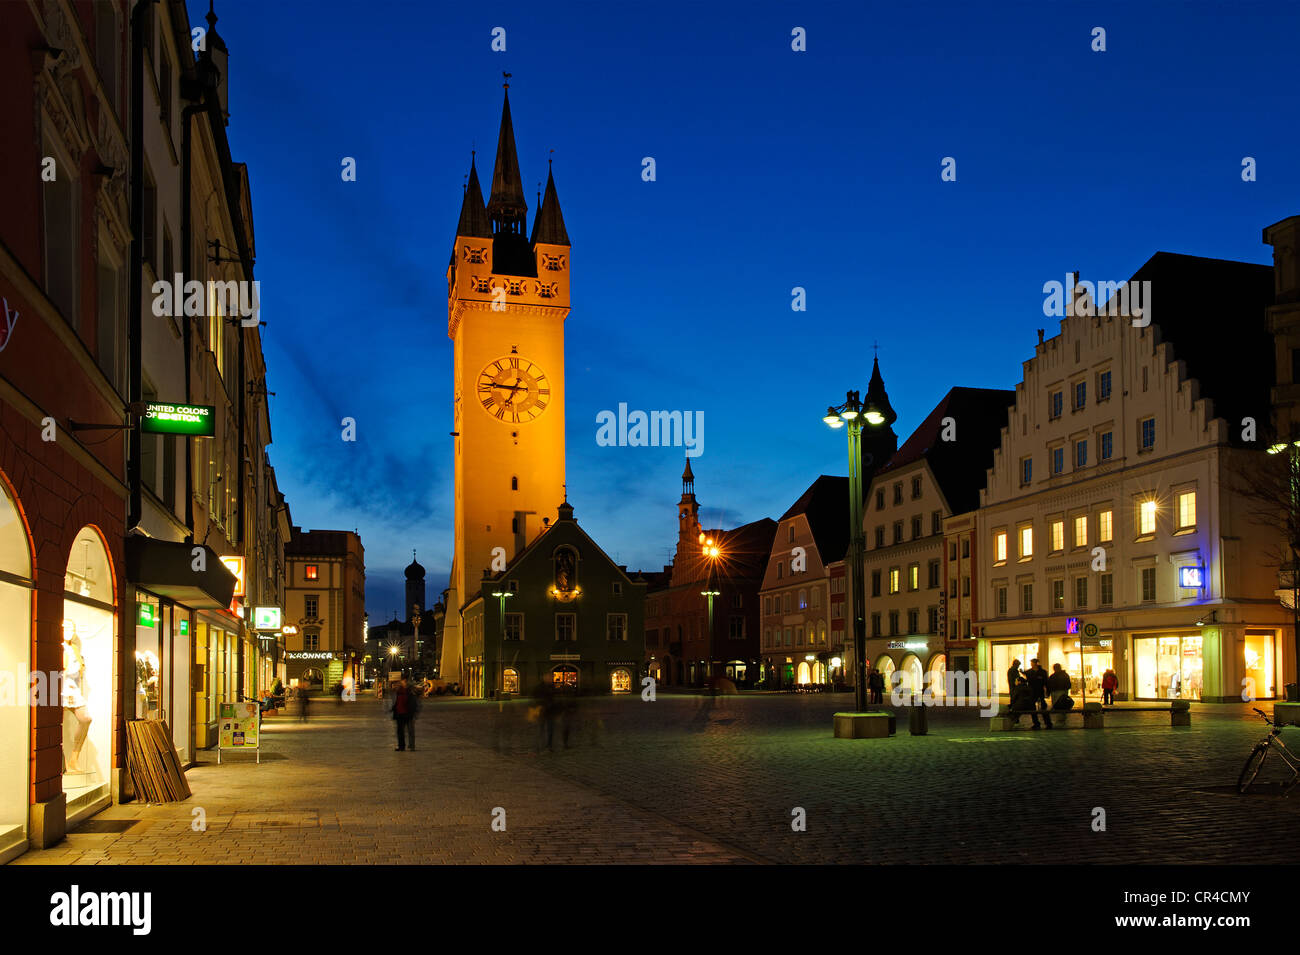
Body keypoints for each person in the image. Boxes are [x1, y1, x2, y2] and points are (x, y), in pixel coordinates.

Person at [1023, 658, 1053, 729]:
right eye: (1031, 663)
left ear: (1036, 663)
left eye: (1033, 663)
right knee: (1033, 708)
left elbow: (1046, 682)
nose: (1032, 664)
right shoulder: (1029, 672)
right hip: (1032, 692)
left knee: (1043, 707)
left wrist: (1048, 691)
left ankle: (1047, 723)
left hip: (1039, 692)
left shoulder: (1042, 672)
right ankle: (1037, 723)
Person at [390, 678, 418, 750]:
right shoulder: (398, 691)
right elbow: (395, 701)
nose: (402, 683)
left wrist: (414, 713)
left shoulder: (410, 691)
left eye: (403, 682)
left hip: (408, 714)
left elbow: (414, 703)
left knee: (410, 730)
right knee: (400, 731)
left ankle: (412, 746)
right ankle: (401, 746)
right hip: (399, 714)